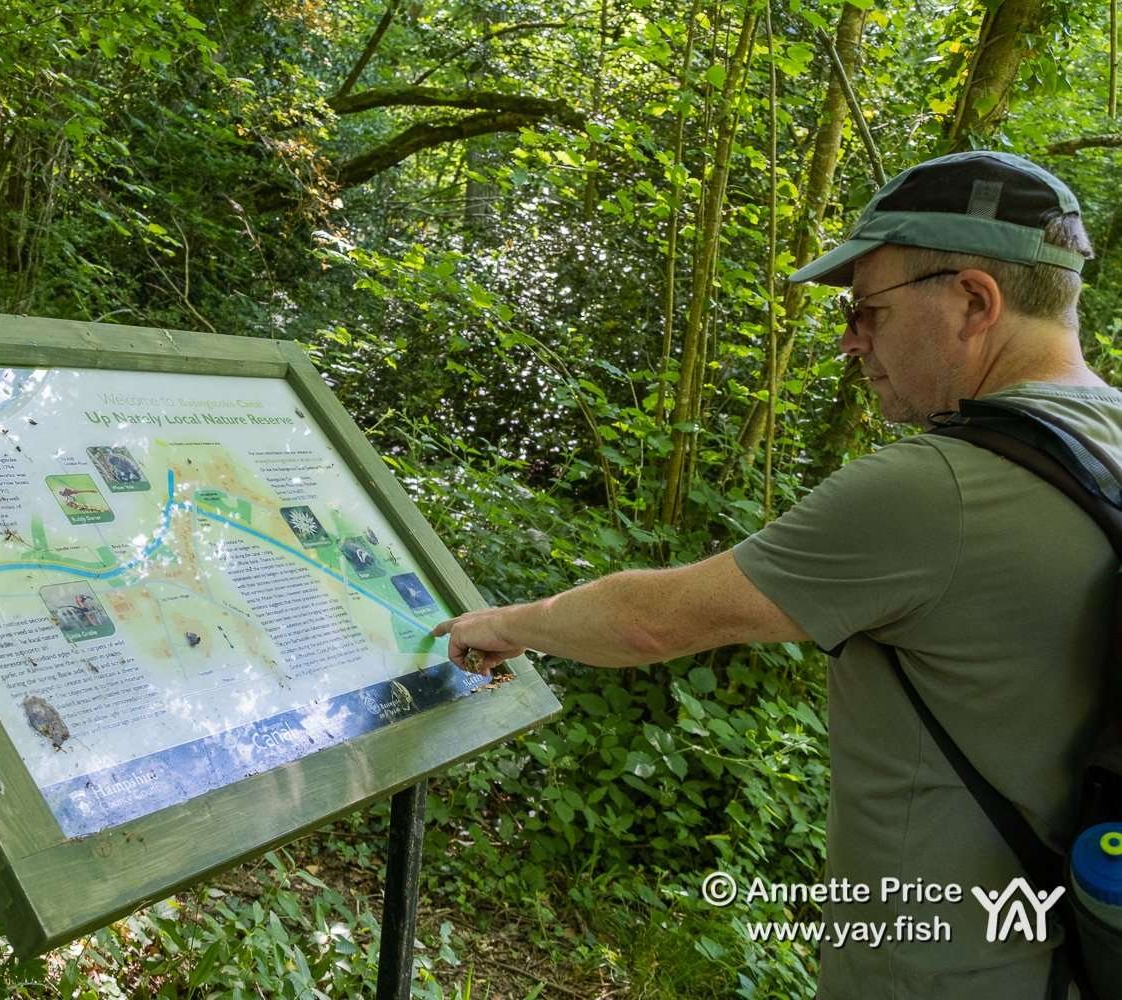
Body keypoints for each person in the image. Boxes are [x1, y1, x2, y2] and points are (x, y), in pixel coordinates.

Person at [432, 150, 1121, 999]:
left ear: (975, 301)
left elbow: (657, 620)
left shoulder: (938, 489)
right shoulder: (1106, 446)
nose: (851, 340)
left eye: (867, 310)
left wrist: (506, 624)